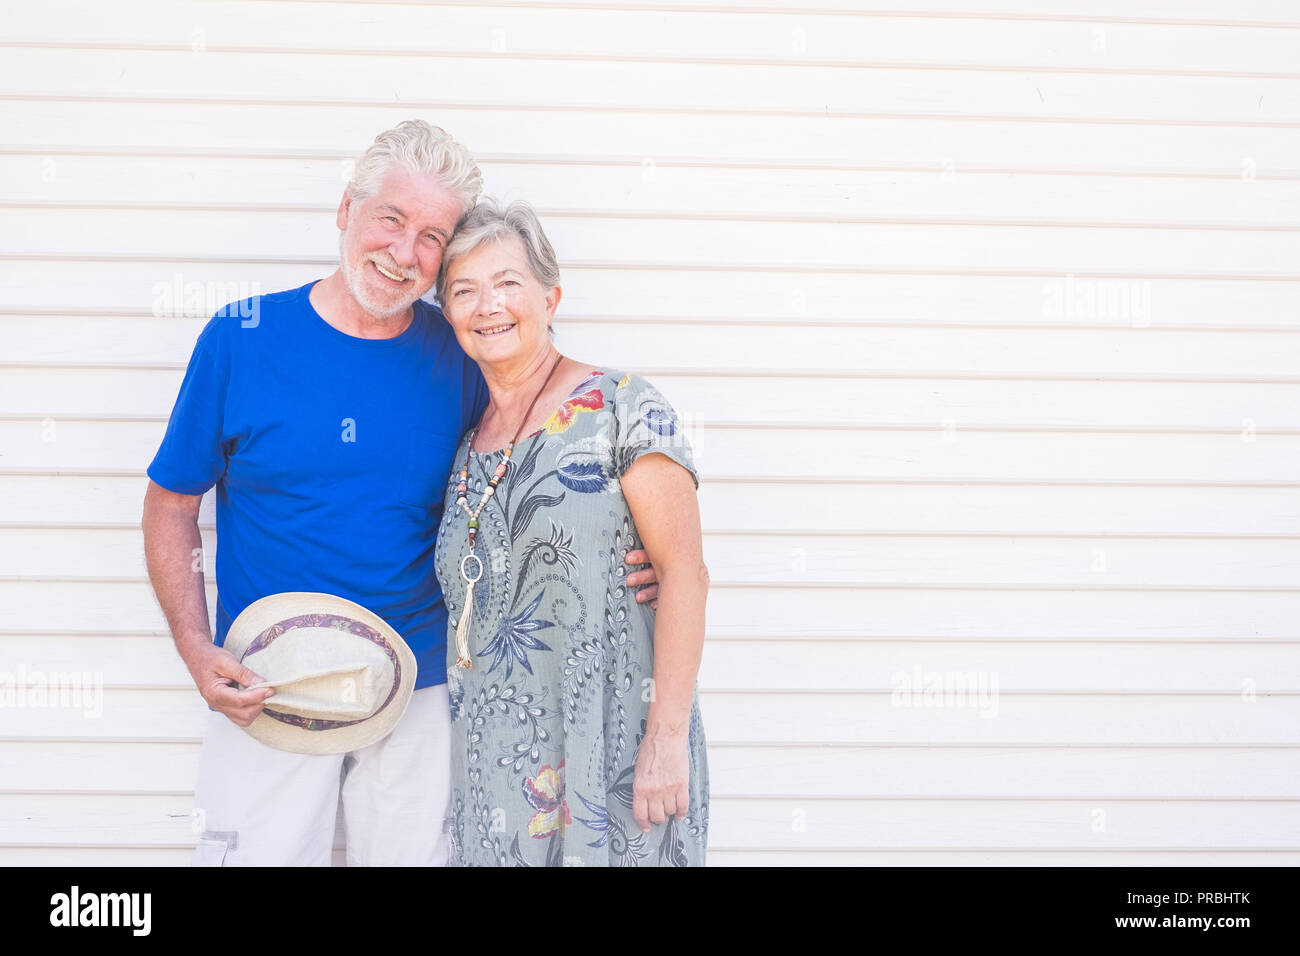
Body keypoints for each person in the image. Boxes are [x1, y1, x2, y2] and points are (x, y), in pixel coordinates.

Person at [141, 121, 663, 866]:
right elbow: (170, 502)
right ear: (346, 208)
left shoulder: (457, 349)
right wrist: (194, 647)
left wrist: (627, 546)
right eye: (391, 218)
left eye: (432, 236)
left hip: (423, 687)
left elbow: (527, 461)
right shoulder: (241, 339)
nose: (404, 251)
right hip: (269, 677)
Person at [433, 198, 710, 866]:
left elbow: (685, 574)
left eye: (507, 284)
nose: (487, 305)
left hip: (614, 755)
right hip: (496, 775)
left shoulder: (623, 405)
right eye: (464, 290)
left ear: (550, 297)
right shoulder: (467, 448)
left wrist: (666, 741)